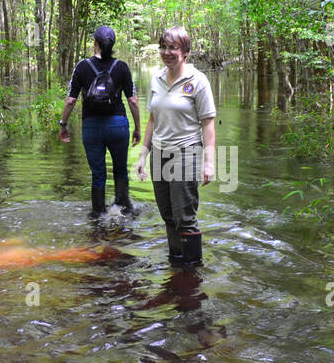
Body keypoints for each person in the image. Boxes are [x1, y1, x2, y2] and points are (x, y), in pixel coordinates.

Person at [134, 26, 216, 266]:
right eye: (164, 47)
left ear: (185, 52)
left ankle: (192, 273)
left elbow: (208, 124)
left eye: (173, 47)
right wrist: (143, 156)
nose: (167, 52)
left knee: (184, 217)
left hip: (186, 152)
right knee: (168, 216)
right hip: (159, 153)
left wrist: (209, 163)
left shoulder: (198, 81)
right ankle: (176, 262)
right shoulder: (156, 79)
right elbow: (152, 120)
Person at [58, 25, 141, 216]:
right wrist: (137, 128)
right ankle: (123, 211)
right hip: (118, 125)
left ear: (95, 43)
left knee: (98, 174)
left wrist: (63, 124)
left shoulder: (82, 66)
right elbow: (133, 100)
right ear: (112, 45)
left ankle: (98, 216)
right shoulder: (121, 67)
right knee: (120, 170)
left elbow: (71, 100)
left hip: (91, 126)